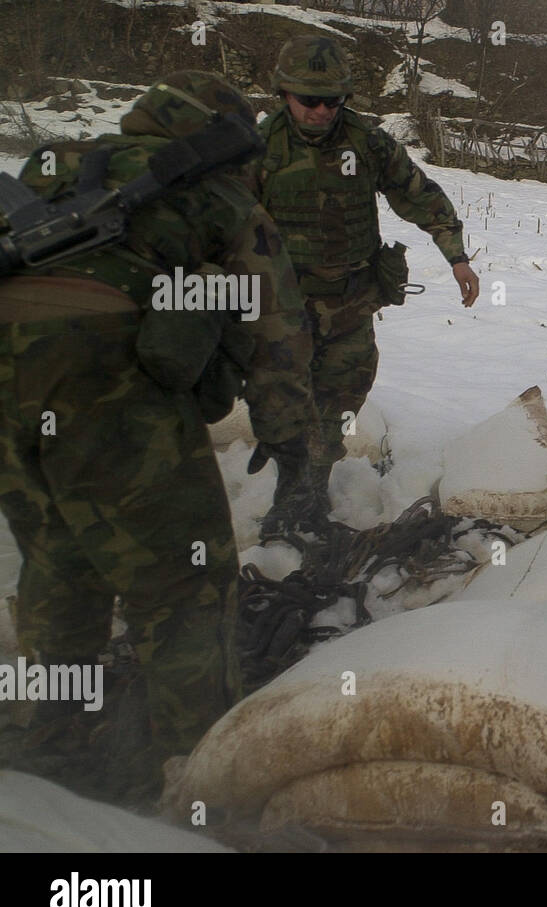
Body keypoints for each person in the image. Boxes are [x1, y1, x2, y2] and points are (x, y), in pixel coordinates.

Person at [0, 72, 317, 804]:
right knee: (184, 588)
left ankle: (51, 751)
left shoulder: (55, 169)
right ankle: (196, 784)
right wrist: (287, 433)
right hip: (102, 385)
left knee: (58, 560)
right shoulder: (221, 195)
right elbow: (278, 332)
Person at [254, 34, 480, 534]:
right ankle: (287, 503)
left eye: (331, 101)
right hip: (282, 306)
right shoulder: (259, 148)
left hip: (352, 302)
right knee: (287, 405)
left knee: (341, 400)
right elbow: (221, 226)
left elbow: (419, 195)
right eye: (307, 100)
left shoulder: (367, 143)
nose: (319, 111)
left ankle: (309, 495)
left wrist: (456, 256)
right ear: (284, 94)